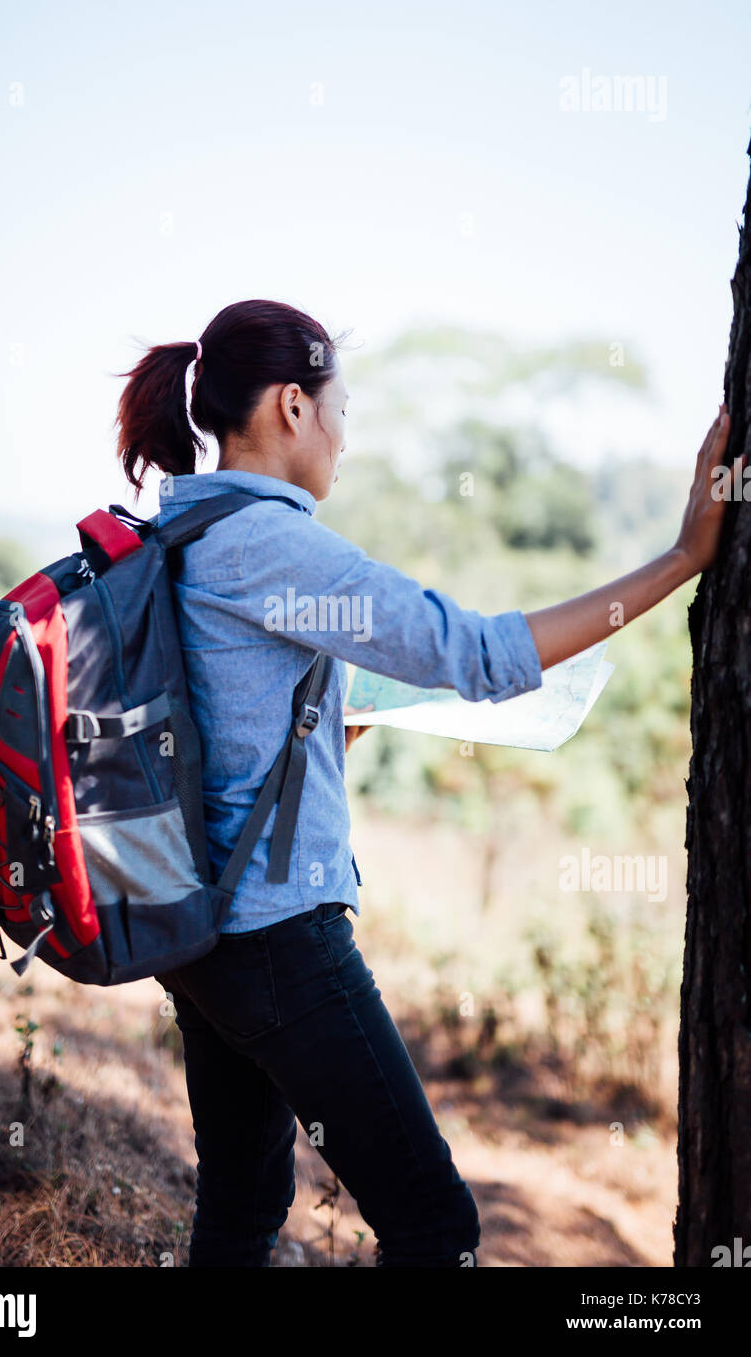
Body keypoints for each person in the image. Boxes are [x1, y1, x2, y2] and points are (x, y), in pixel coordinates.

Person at [113, 296, 739, 1267]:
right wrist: (681, 558)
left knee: (240, 1207)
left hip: (199, 934)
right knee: (433, 1226)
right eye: (340, 409)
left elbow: (225, 735)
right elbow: (478, 652)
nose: (343, 438)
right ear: (291, 406)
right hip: (276, 936)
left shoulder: (183, 535)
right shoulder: (273, 544)